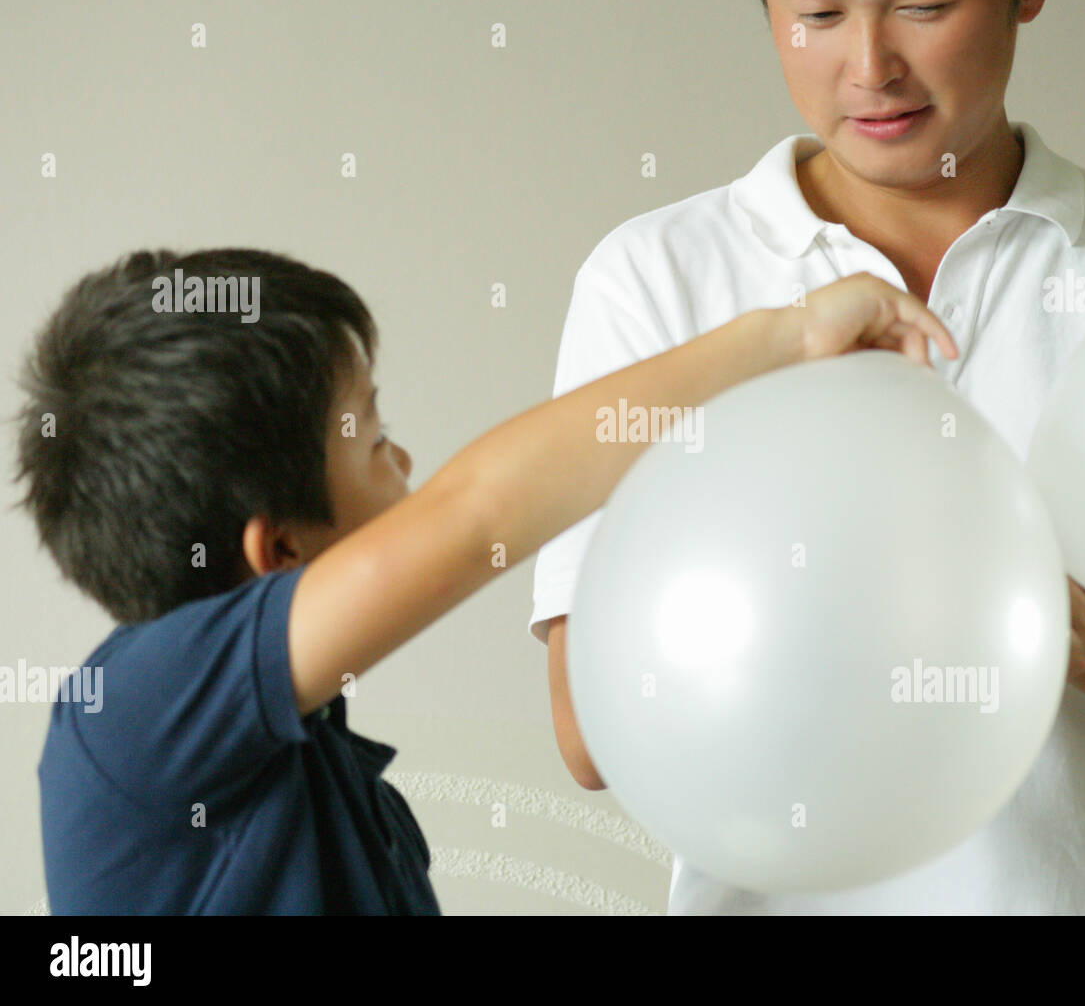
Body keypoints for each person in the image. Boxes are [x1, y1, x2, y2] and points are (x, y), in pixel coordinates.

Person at [532, 0, 1085, 915]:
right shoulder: (656, 279)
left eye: (923, 6)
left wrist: (1062, 629)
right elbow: (589, 735)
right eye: (814, 11)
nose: (868, 67)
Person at [16, 247, 949, 915]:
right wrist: (782, 337)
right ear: (283, 554)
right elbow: (478, 516)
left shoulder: (316, 763)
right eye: (374, 441)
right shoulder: (131, 716)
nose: (408, 459)